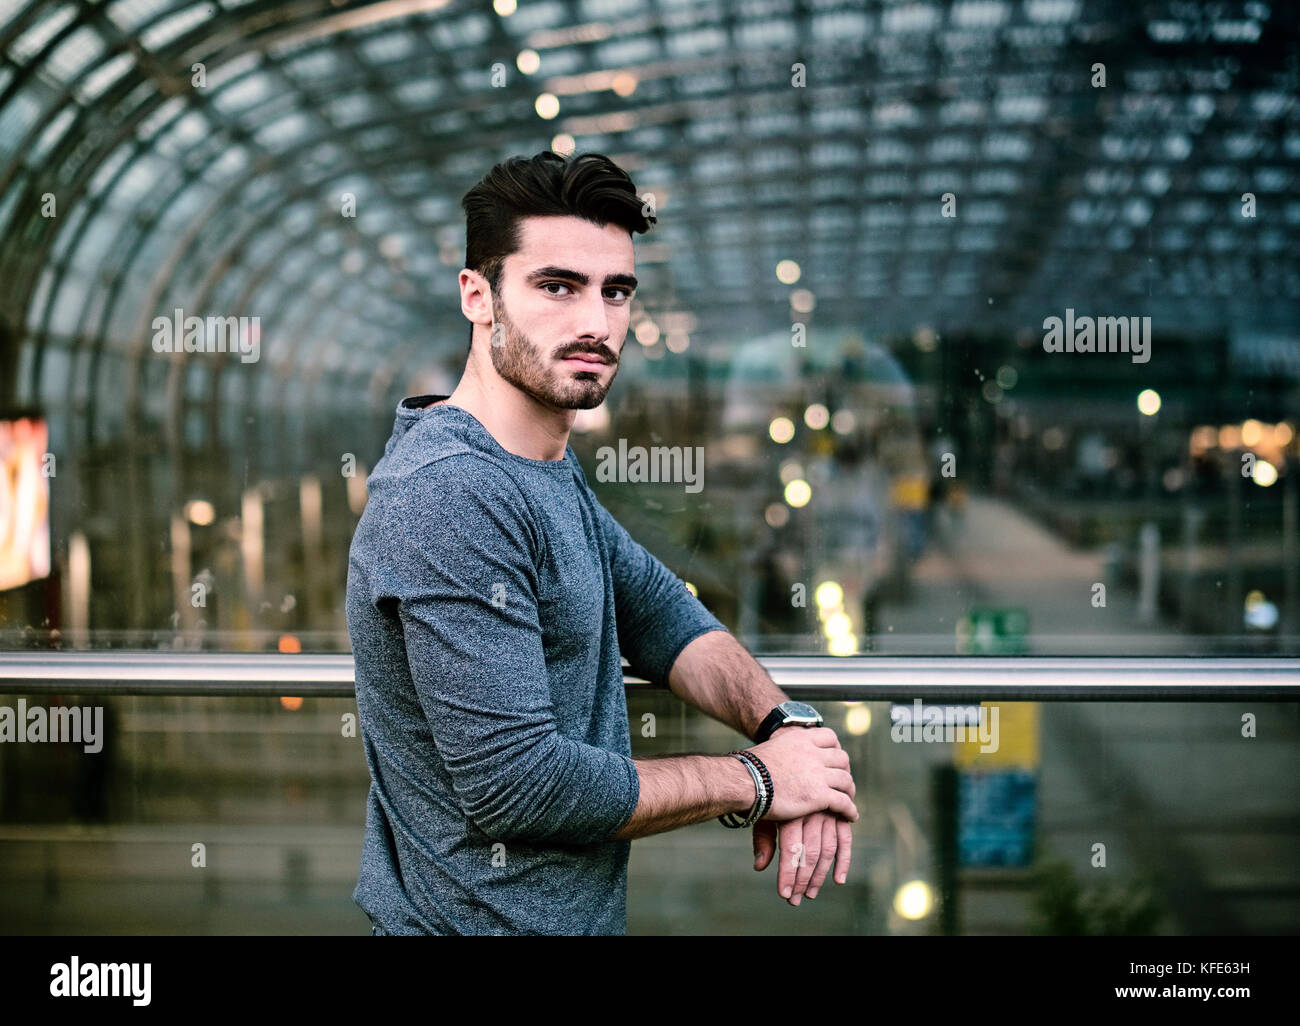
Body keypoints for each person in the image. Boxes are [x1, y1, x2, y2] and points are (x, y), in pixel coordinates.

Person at [345, 151, 858, 935]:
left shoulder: (539, 465)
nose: (596, 322)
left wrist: (788, 730)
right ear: (477, 296)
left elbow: (657, 611)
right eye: (557, 286)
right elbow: (518, 785)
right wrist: (757, 781)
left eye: (615, 291)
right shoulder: (451, 492)